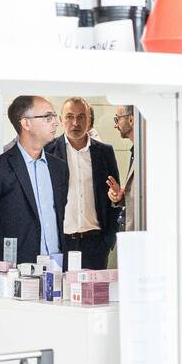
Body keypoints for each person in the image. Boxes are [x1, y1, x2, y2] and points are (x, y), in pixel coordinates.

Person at [0, 96, 68, 266]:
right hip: (14, 271)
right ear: (26, 123)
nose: (55, 123)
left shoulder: (59, 168)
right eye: (48, 117)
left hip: (57, 266)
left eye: (54, 116)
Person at [45, 96, 121, 270]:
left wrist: (108, 240)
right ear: (60, 120)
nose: (75, 123)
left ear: (89, 121)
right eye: (69, 117)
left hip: (95, 244)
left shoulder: (105, 152)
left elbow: (115, 199)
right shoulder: (48, 152)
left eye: (81, 117)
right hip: (60, 244)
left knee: (95, 296)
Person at [107, 106, 136, 231]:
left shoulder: (148, 151)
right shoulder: (136, 150)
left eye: (117, 119)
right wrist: (121, 196)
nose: (115, 125)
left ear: (131, 120)